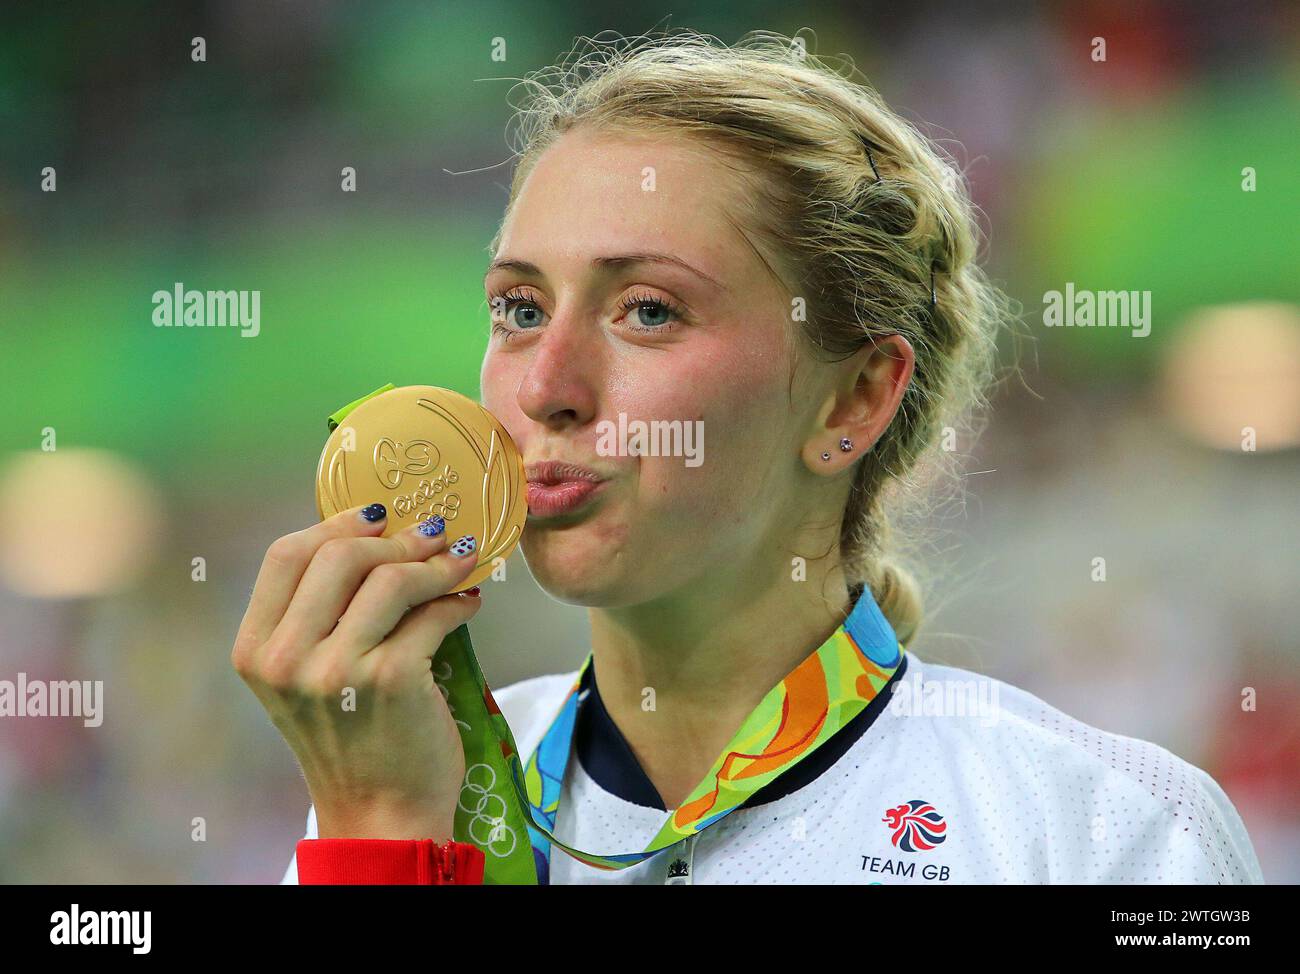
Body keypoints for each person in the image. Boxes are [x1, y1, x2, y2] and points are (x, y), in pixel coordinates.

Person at [234, 30, 1263, 885]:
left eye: (646, 310)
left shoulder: (1107, 832)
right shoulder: (406, 779)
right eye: (518, 308)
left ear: (853, 396)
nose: (545, 386)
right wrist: (378, 835)